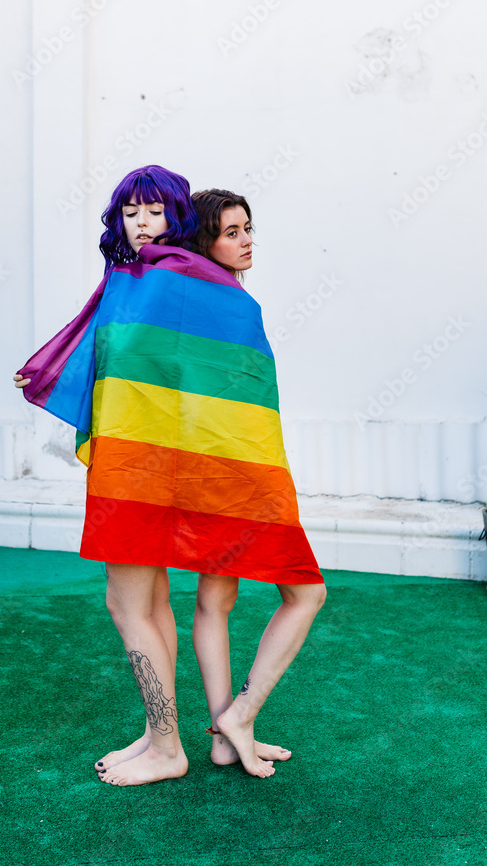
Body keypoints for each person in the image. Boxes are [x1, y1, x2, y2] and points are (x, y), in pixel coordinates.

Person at [14, 165, 197, 787]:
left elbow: (176, 368)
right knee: (153, 598)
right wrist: (49, 368)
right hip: (139, 456)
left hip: (146, 461)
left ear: (178, 215)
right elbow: (102, 349)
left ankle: (169, 747)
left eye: (154, 211)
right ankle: (157, 732)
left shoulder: (170, 278)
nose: (142, 224)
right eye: (131, 213)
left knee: (125, 604)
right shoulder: (130, 276)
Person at [189, 188, 327, 778]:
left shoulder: (219, 296)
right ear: (204, 242)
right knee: (306, 592)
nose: (246, 241)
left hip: (224, 467)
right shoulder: (226, 302)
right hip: (236, 471)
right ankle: (240, 716)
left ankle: (224, 737)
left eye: (248, 229)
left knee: (216, 597)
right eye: (230, 232)